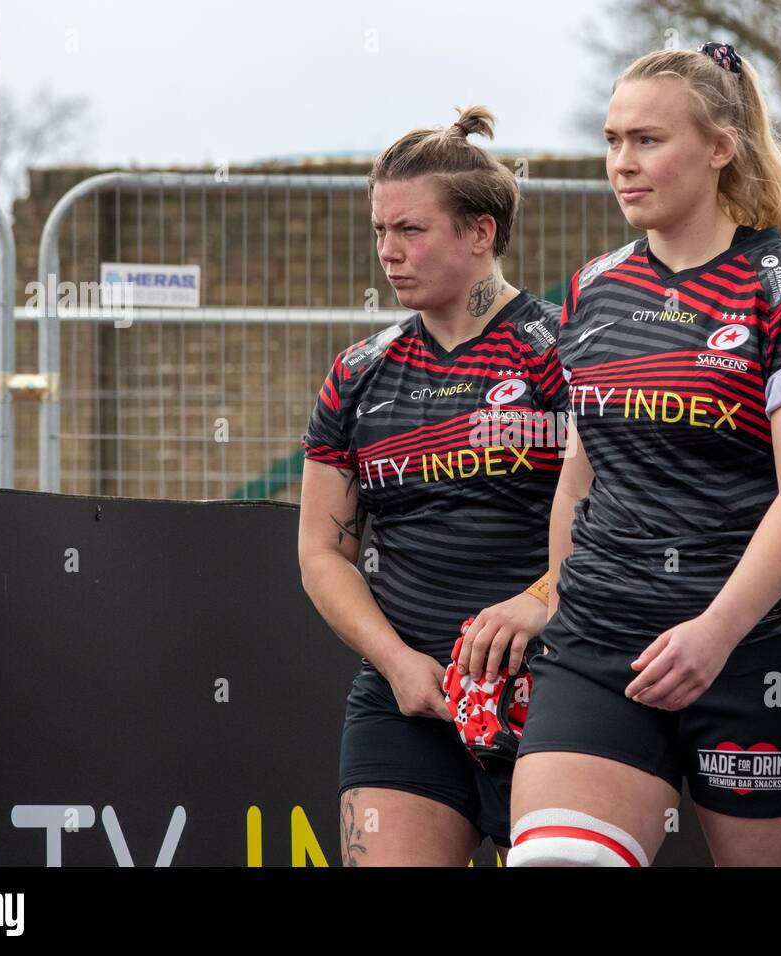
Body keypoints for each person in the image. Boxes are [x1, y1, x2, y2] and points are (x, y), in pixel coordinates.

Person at [507, 42, 781, 867]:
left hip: (759, 656)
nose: (622, 164)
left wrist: (712, 634)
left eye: (647, 140)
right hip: (602, 650)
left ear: (718, 148)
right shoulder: (593, 287)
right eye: (611, 141)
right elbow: (577, 482)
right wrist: (561, 602)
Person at [297, 105, 568, 866]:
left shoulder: (562, 356)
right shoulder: (359, 373)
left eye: (410, 230)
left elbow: (619, 519)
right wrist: (396, 661)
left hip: (554, 691)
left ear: (479, 232)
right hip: (404, 697)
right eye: (380, 230)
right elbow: (322, 552)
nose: (388, 251)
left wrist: (540, 600)